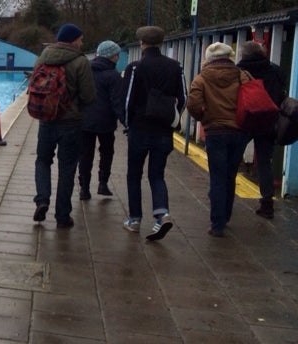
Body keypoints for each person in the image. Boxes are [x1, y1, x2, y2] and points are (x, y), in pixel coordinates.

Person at [117, 26, 185, 241]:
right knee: (157, 174)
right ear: (161, 43)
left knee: (134, 174)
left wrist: (128, 123)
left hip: (139, 128)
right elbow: (182, 98)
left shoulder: (136, 68)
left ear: (141, 43)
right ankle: (162, 214)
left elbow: (127, 101)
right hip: (163, 130)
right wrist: (171, 120)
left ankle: (135, 219)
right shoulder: (175, 67)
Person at [32, 23, 96, 228]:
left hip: (46, 119)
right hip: (71, 123)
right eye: (80, 39)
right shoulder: (80, 61)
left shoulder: (43, 57)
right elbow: (88, 95)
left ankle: (42, 200)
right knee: (67, 168)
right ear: (73, 40)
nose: (82, 42)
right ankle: (62, 215)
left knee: (43, 160)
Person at [187, 42, 253, 237]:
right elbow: (252, 99)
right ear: (230, 56)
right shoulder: (243, 75)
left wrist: (203, 118)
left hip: (215, 132)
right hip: (239, 131)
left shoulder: (201, 78)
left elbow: (193, 104)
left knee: (217, 177)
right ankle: (226, 216)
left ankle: (217, 224)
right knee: (230, 175)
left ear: (208, 58)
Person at [236, 41, 286, 219]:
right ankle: (267, 204)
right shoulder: (275, 70)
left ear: (244, 55)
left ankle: (224, 198)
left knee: (233, 160)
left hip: (245, 121)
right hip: (267, 120)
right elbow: (281, 94)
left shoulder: (238, 71)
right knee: (265, 163)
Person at [78, 40, 122, 200]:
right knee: (107, 152)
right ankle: (103, 183)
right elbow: (117, 102)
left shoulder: (85, 71)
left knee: (85, 154)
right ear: (113, 56)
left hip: (84, 121)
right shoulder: (113, 76)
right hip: (106, 122)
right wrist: (125, 121)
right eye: (117, 55)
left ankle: (84, 188)